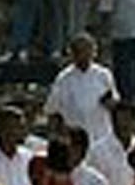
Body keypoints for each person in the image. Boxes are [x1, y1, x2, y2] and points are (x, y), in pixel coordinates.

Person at [42, 33, 118, 162]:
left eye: (87, 50)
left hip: (101, 138)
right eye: (78, 51)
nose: (83, 54)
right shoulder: (64, 79)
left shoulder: (103, 75)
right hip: (75, 142)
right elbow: (52, 111)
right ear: (72, 54)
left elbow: (115, 104)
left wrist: (109, 103)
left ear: (94, 52)